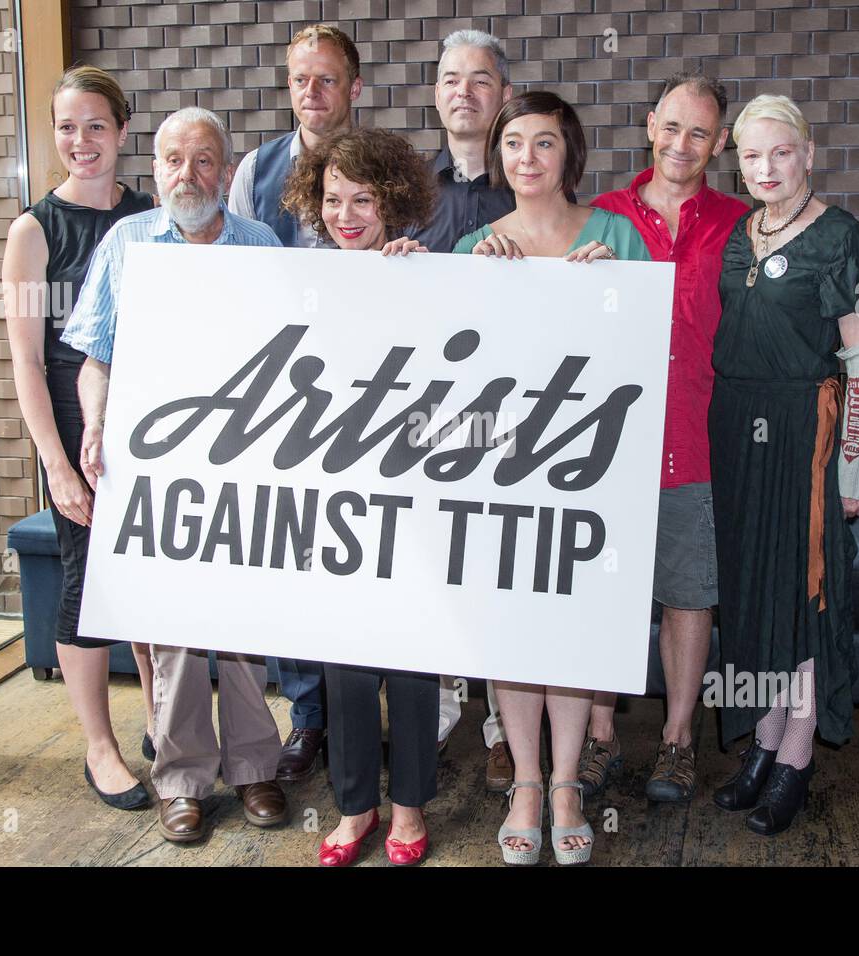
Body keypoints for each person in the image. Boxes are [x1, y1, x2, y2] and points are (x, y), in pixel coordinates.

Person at [61, 107, 290, 844]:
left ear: (225, 172)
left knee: (245, 617)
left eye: (202, 161)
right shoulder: (126, 244)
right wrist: (95, 424)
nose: (185, 176)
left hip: (247, 464)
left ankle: (256, 766)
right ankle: (184, 778)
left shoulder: (261, 245)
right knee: (176, 628)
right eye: (171, 161)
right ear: (153, 168)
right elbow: (95, 357)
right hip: (159, 467)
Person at [455, 91, 651, 865]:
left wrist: (614, 293)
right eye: (513, 145)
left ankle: (568, 783)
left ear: (569, 153)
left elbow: (642, 355)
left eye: (543, 143)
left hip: (589, 470)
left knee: (571, 627)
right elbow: (455, 364)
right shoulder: (476, 244)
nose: (527, 159)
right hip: (503, 467)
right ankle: (527, 783)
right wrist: (462, 281)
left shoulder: (619, 238)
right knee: (514, 627)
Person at [709, 93, 859, 836]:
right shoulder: (740, 235)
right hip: (736, 430)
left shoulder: (841, 235)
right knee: (758, 594)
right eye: (752, 155)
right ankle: (769, 736)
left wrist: (853, 468)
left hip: (805, 434)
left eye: (782, 152)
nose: (767, 167)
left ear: (808, 155)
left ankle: (798, 756)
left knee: (805, 597)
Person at [581, 73, 748, 804]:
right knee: (598, 593)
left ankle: (678, 740)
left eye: (701, 133)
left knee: (688, 596)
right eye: (673, 127)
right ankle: (598, 737)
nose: (684, 145)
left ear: (721, 144)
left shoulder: (742, 223)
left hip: (698, 437)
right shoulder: (599, 218)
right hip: (607, 448)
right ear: (651, 125)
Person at [280, 127, 440, 865]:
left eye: (363, 199)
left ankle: (408, 808)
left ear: (394, 200)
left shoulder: (425, 273)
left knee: (409, 655)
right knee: (342, 657)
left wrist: (421, 283)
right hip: (332, 498)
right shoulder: (301, 279)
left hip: (410, 498)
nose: (346, 214)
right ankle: (354, 810)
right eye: (333, 198)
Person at [3, 65, 158, 810]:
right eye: (67, 126)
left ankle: (162, 715)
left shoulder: (153, 214)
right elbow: (28, 363)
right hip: (74, 419)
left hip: (153, 416)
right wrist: (58, 468)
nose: (81, 140)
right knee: (85, 577)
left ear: (123, 130)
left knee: (150, 571)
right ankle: (100, 747)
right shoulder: (33, 231)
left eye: (96, 125)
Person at [228, 23, 364, 776]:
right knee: (295, 557)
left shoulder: (380, 165)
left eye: (326, 80)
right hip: (289, 394)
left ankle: (365, 711)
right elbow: (246, 270)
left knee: (359, 553)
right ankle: (309, 715)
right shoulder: (257, 168)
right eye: (299, 80)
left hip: (366, 393)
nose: (311, 93)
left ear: (353, 89)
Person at [406, 26, 517, 788]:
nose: (464, 91)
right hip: (428, 417)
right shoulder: (409, 188)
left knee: (504, 569)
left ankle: (507, 726)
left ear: (503, 95)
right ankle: (437, 719)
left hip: (515, 419)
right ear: (436, 91)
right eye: (451, 78)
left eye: (480, 79)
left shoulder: (533, 181)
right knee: (439, 570)